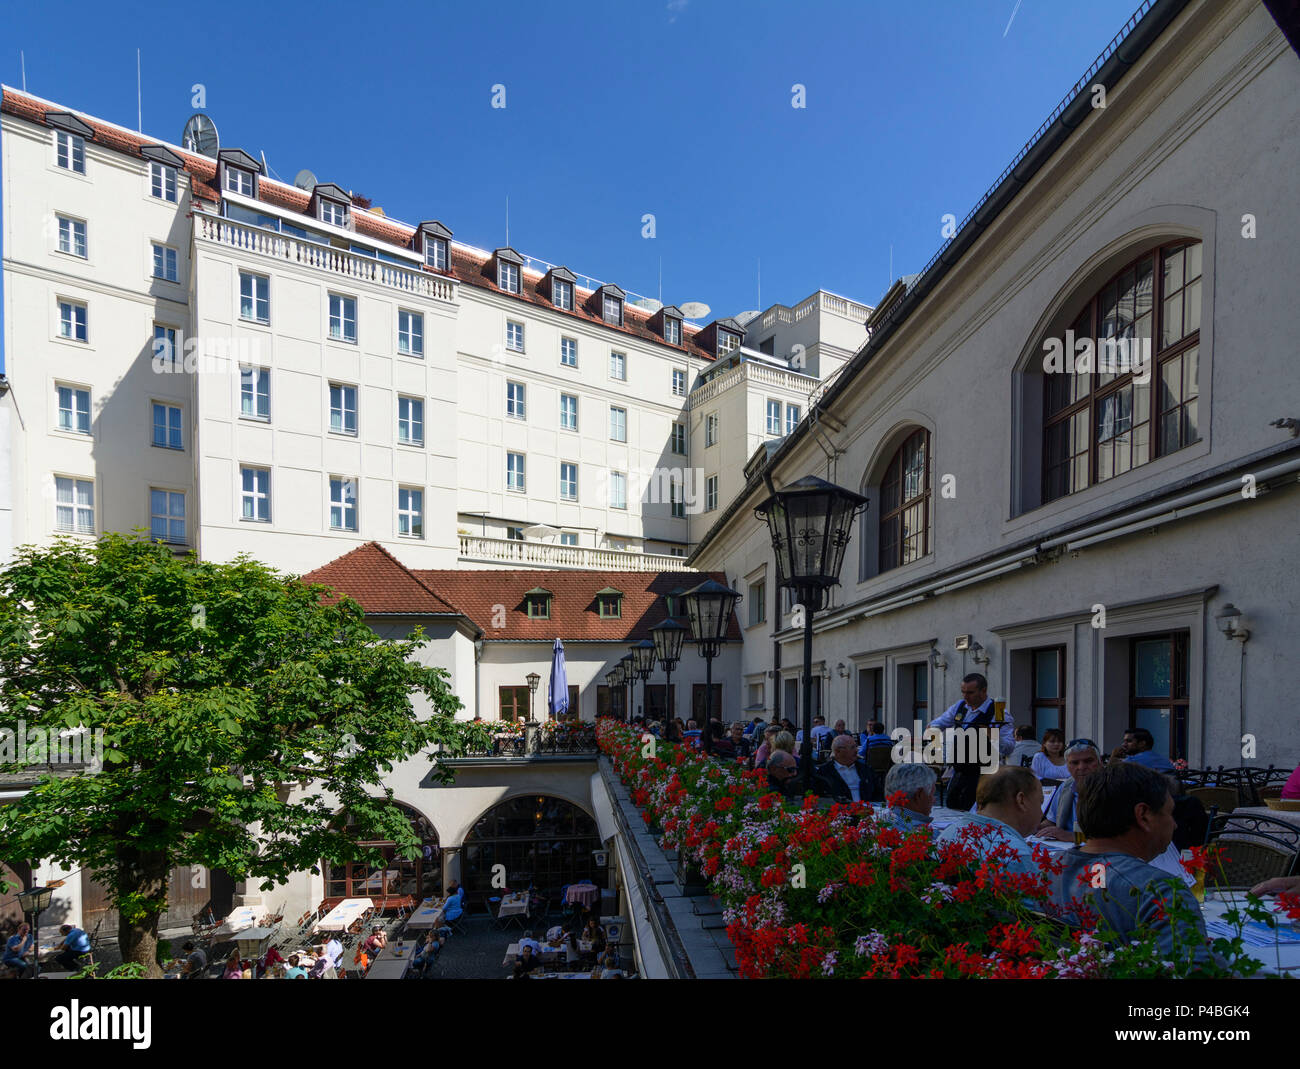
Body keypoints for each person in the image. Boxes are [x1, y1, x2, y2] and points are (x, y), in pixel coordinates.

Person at [1045, 762, 1215, 966]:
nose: (1175, 824)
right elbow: (1193, 969)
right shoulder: (1161, 891)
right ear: (1143, 816)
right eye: (1170, 813)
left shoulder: (1045, 872)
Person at [929, 673, 1015, 812]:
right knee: (952, 809)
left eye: (970, 692)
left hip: (984, 776)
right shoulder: (960, 706)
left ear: (983, 691)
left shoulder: (999, 713)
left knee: (975, 814)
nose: (965, 696)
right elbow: (936, 724)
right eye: (963, 692)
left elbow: (1009, 748)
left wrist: (992, 736)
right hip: (958, 773)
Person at [936, 767, 1044, 876]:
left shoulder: (948, 833)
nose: (1041, 813)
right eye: (1040, 802)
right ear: (1021, 800)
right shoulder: (1017, 856)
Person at [1036, 740, 1103, 840]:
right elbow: (1051, 821)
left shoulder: (1111, 788)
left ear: (1099, 761)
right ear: (1067, 765)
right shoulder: (1065, 787)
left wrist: (1072, 836)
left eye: (1088, 761)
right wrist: (1034, 828)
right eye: (1075, 763)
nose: (1081, 767)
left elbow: (1116, 837)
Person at [813, 734, 885, 804]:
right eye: (852, 747)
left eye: (856, 747)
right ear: (838, 751)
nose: (856, 750)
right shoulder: (825, 773)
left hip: (868, 811)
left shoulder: (866, 769)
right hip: (841, 812)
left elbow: (878, 793)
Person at [880, 763, 938, 827]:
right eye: (932, 795)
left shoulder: (876, 826)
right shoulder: (927, 834)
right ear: (919, 795)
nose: (934, 800)